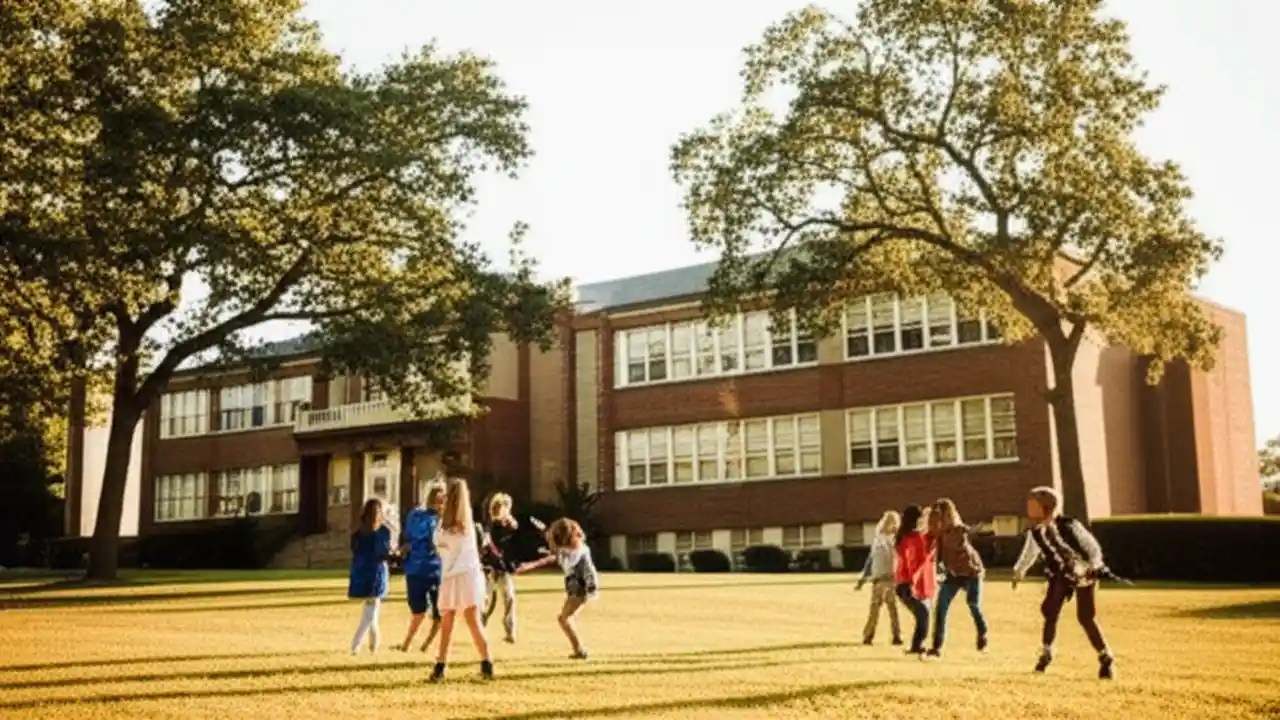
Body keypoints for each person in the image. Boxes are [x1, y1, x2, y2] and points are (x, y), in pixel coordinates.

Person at [1012, 486, 1116, 679]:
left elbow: (1092, 547)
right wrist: (1019, 571)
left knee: (1086, 617)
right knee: (1050, 612)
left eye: (1034, 505)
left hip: (1083, 573)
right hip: (1059, 574)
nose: (1030, 510)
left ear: (1047, 507)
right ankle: (1046, 652)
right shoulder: (1036, 531)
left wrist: (1093, 565)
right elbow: (1030, 552)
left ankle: (1105, 657)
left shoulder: (1069, 526)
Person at [430, 478, 493, 682]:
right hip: (468, 574)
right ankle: (486, 662)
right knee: (473, 620)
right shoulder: (468, 526)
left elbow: (438, 543)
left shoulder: (444, 527)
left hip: (452, 574)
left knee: (447, 621)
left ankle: (441, 665)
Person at [516, 517, 599, 660]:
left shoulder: (574, 549)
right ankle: (579, 649)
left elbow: (554, 555)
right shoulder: (575, 545)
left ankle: (579, 650)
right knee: (565, 618)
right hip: (578, 584)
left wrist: (529, 565)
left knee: (564, 618)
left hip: (580, 585)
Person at [927, 498, 989, 658]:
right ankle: (936, 647)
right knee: (941, 607)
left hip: (971, 573)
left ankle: (982, 633)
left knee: (973, 604)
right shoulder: (939, 535)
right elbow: (936, 556)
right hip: (953, 575)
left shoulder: (958, 530)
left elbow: (960, 539)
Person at [393, 482, 445, 653]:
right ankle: (407, 643)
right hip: (415, 568)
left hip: (437, 570)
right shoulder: (415, 515)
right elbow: (407, 538)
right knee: (418, 610)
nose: (438, 503)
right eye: (436, 499)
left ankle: (427, 644)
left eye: (441, 500)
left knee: (440, 612)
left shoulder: (444, 520)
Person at [348, 498, 393, 655]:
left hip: (362, 571)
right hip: (376, 573)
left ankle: (373, 646)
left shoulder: (358, 532)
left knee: (371, 611)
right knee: (371, 611)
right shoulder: (383, 532)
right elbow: (382, 553)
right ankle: (356, 644)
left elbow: (355, 551)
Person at [855, 510, 903, 646]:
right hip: (878, 580)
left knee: (893, 609)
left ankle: (896, 635)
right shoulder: (878, 539)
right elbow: (870, 560)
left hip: (891, 579)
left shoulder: (897, 540)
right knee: (874, 610)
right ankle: (868, 635)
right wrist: (862, 579)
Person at [894, 504, 936, 657]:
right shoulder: (916, 538)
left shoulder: (903, 537)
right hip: (908, 583)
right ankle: (916, 646)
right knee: (923, 615)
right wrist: (913, 582)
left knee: (922, 615)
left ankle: (916, 646)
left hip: (901, 583)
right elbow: (916, 562)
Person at [485, 492, 521, 644]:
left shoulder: (511, 526)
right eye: (501, 507)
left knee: (509, 599)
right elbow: (493, 546)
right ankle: (482, 620)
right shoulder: (494, 526)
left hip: (505, 569)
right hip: (492, 569)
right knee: (488, 600)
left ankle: (510, 630)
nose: (504, 510)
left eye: (506, 507)